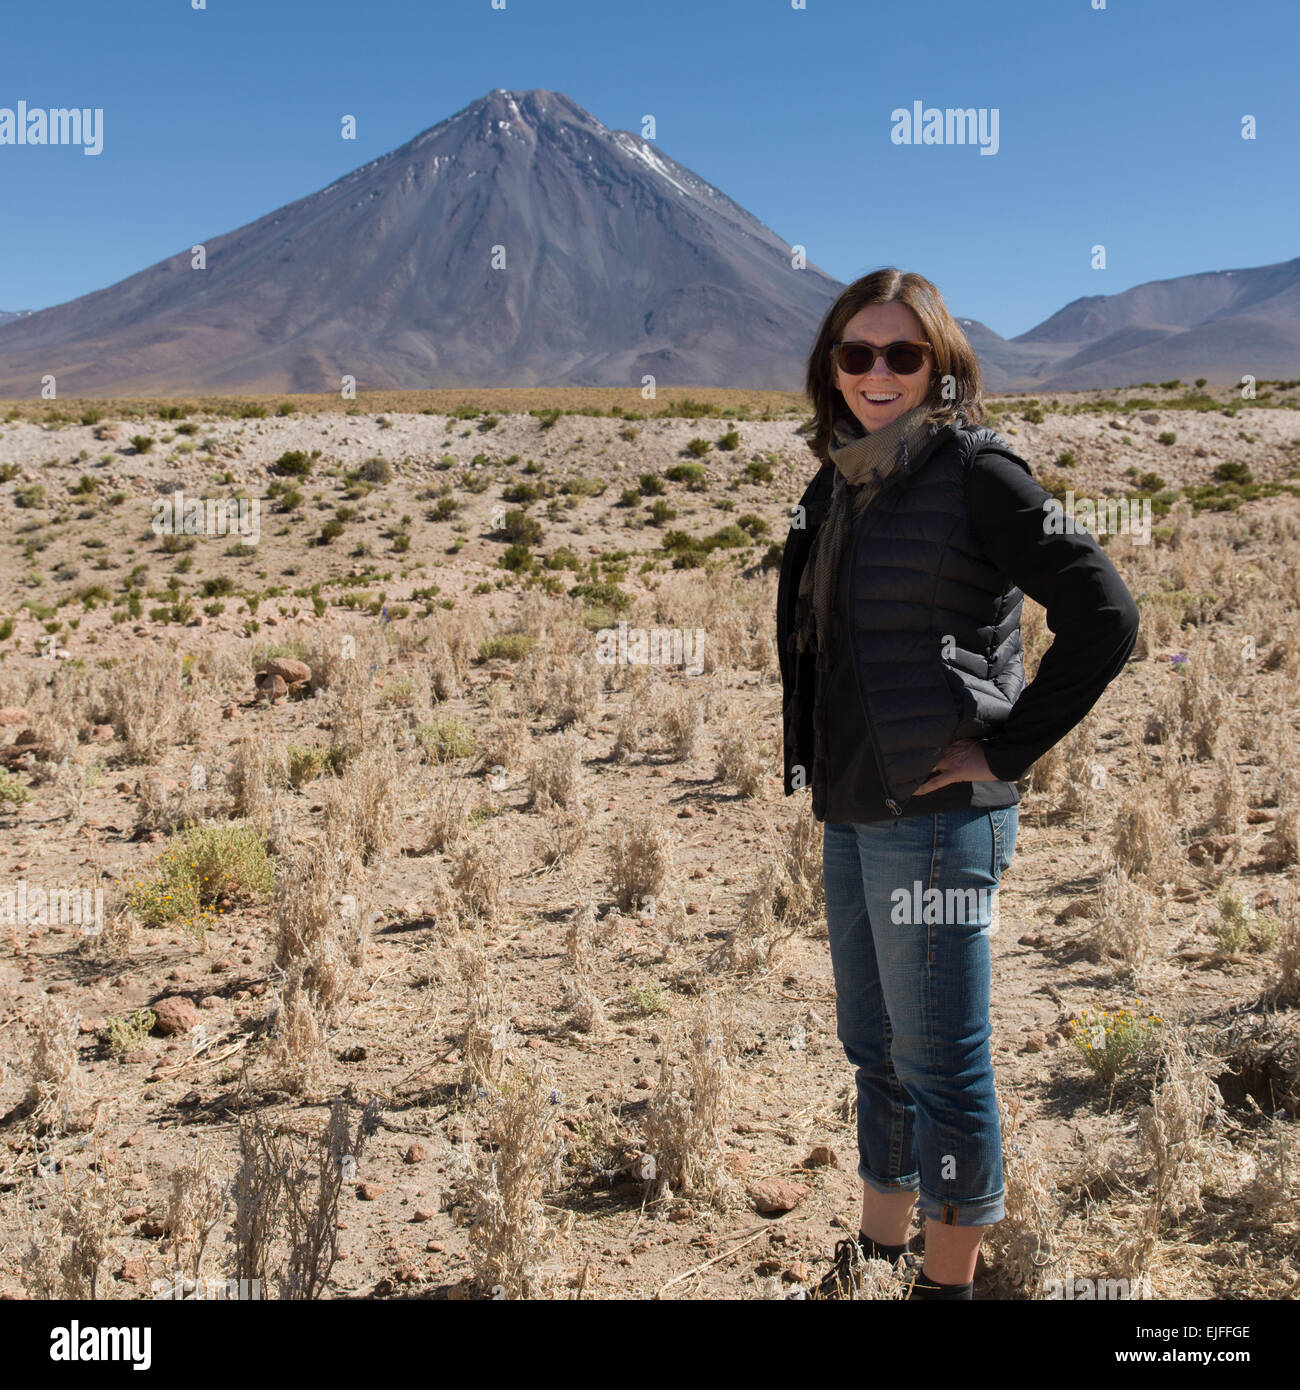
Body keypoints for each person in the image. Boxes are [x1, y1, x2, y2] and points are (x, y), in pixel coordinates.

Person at [776, 268, 1140, 1299]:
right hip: (853, 806)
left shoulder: (980, 473)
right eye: (857, 354)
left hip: (935, 818)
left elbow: (1105, 612)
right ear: (831, 369)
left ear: (942, 366)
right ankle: (879, 1252)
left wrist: (1008, 746)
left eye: (903, 353)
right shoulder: (838, 480)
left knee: (941, 1064)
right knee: (875, 1048)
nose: (877, 372)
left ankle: (948, 1285)